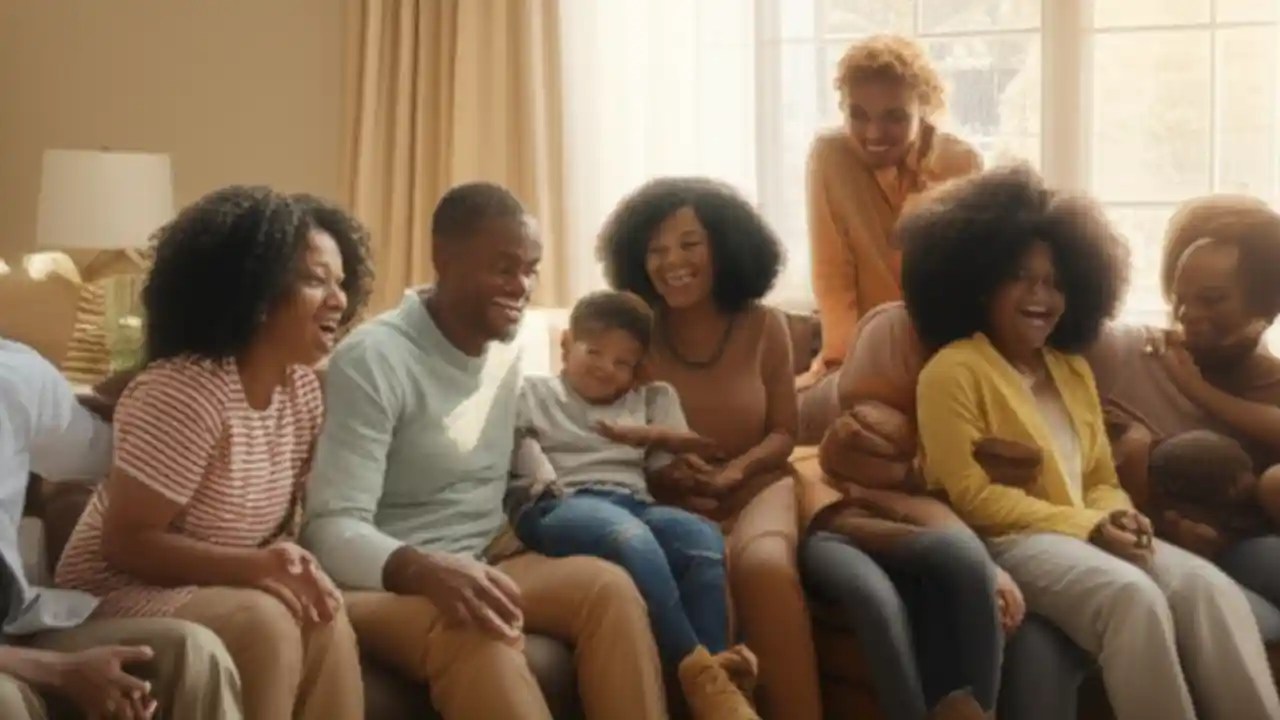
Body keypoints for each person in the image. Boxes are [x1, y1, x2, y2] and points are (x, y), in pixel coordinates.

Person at [905, 165, 1280, 720]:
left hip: (1088, 531)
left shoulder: (1071, 369)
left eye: (1056, 282)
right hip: (1012, 539)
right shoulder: (952, 371)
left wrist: (1121, 515)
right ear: (981, 281)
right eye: (1021, 278)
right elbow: (972, 498)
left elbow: (1099, 479)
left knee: (1208, 591)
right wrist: (1090, 525)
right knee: (1133, 599)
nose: (1041, 296)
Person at [302, 182, 667, 720]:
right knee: (476, 628)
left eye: (531, 269)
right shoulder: (374, 359)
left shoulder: (509, 347)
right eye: (503, 268)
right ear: (444, 259)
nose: (522, 286)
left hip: (487, 557)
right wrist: (424, 570)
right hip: (383, 581)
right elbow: (330, 527)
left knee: (609, 590)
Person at [55, 186, 370, 720]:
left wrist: (281, 566)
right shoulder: (186, 391)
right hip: (110, 595)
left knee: (323, 611)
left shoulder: (302, 392)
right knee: (265, 620)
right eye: (316, 280)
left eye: (341, 282)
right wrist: (257, 567)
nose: (338, 299)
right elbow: (126, 544)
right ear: (255, 291)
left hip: (217, 586)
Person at [795, 301, 1097, 720]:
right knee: (920, 578)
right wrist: (985, 563)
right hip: (850, 523)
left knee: (1042, 643)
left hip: (963, 535)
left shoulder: (1017, 370)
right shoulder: (892, 367)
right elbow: (872, 488)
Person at [597, 177, 820, 720]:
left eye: (689, 244)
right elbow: (617, 437)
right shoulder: (635, 337)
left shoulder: (765, 324)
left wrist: (734, 473)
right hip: (674, 496)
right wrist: (665, 477)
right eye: (655, 250)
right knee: (702, 573)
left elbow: (783, 433)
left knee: (764, 568)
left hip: (757, 485)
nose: (672, 261)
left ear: (724, 247)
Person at [509, 289, 757, 719]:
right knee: (629, 537)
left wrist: (663, 442)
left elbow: (671, 468)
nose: (606, 368)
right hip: (559, 504)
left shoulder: (651, 399)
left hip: (634, 502)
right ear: (566, 344)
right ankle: (707, 679)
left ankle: (716, 688)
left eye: (623, 363)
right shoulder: (531, 393)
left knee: (700, 536)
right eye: (594, 352)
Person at [1, 336, 242, 720]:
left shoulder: (14, 373)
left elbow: (111, 452)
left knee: (192, 652)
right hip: (12, 665)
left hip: (14, 624)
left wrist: (155, 396)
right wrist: (59, 671)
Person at [1087, 194, 1280, 634]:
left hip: (1241, 548)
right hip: (1150, 552)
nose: (1189, 315)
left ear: (1267, 308)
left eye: (1213, 299)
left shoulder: (1270, 388)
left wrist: (1197, 390)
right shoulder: (1131, 352)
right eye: (1180, 299)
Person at [799, 35, 982, 439]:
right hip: (857, 352)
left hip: (941, 349)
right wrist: (846, 365)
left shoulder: (961, 162)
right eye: (858, 115)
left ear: (924, 108)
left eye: (894, 117)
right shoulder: (830, 156)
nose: (873, 132)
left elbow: (966, 282)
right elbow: (832, 272)